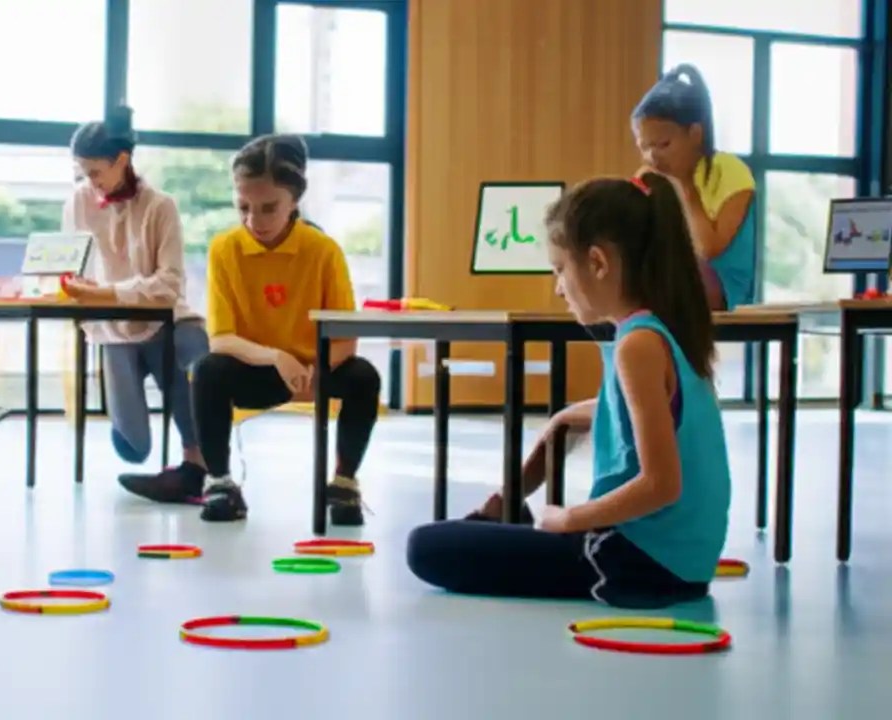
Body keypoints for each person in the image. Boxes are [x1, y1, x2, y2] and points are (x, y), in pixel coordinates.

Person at [406, 172, 732, 609]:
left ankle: (515, 526)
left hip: (638, 563)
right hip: (681, 563)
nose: (558, 286)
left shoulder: (637, 346)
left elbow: (662, 484)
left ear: (597, 263)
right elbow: (646, 415)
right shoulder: (664, 332)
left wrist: (571, 519)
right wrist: (556, 429)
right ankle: (509, 516)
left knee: (425, 546)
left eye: (560, 269)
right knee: (505, 508)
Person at [165, 134, 381, 524]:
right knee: (208, 369)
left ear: (294, 200)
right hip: (256, 369)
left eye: (268, 208)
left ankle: (344, 485)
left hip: (318, 371)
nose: (254, 221)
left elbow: (346, 337)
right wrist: (277, 357)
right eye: (243, 207)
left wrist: (315, 373)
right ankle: (221, 484)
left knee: (365, 376)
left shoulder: (323, 250)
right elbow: (222, 338)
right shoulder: (224, 249)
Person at [58, 106, 210, 502]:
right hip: (111, 328)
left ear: (121, 161)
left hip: (167, 322)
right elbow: (67, 264)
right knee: (133, 447)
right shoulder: (78, 202)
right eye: (82, 173)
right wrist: (75, 288)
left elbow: (169, 285)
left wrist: (106, 293)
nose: (89, 182)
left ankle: (197, 461)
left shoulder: (160, 206)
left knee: (192, 347)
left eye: (95, 172)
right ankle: (131, 413)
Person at [631, 63, 757, 311]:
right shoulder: (651, 176)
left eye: (663, 144)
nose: (652, 156)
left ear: (695, 134)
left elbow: (708, 249)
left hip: (721, 284)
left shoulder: (729, 170)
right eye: (645, 147)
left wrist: (684, 185)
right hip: (672, 275)